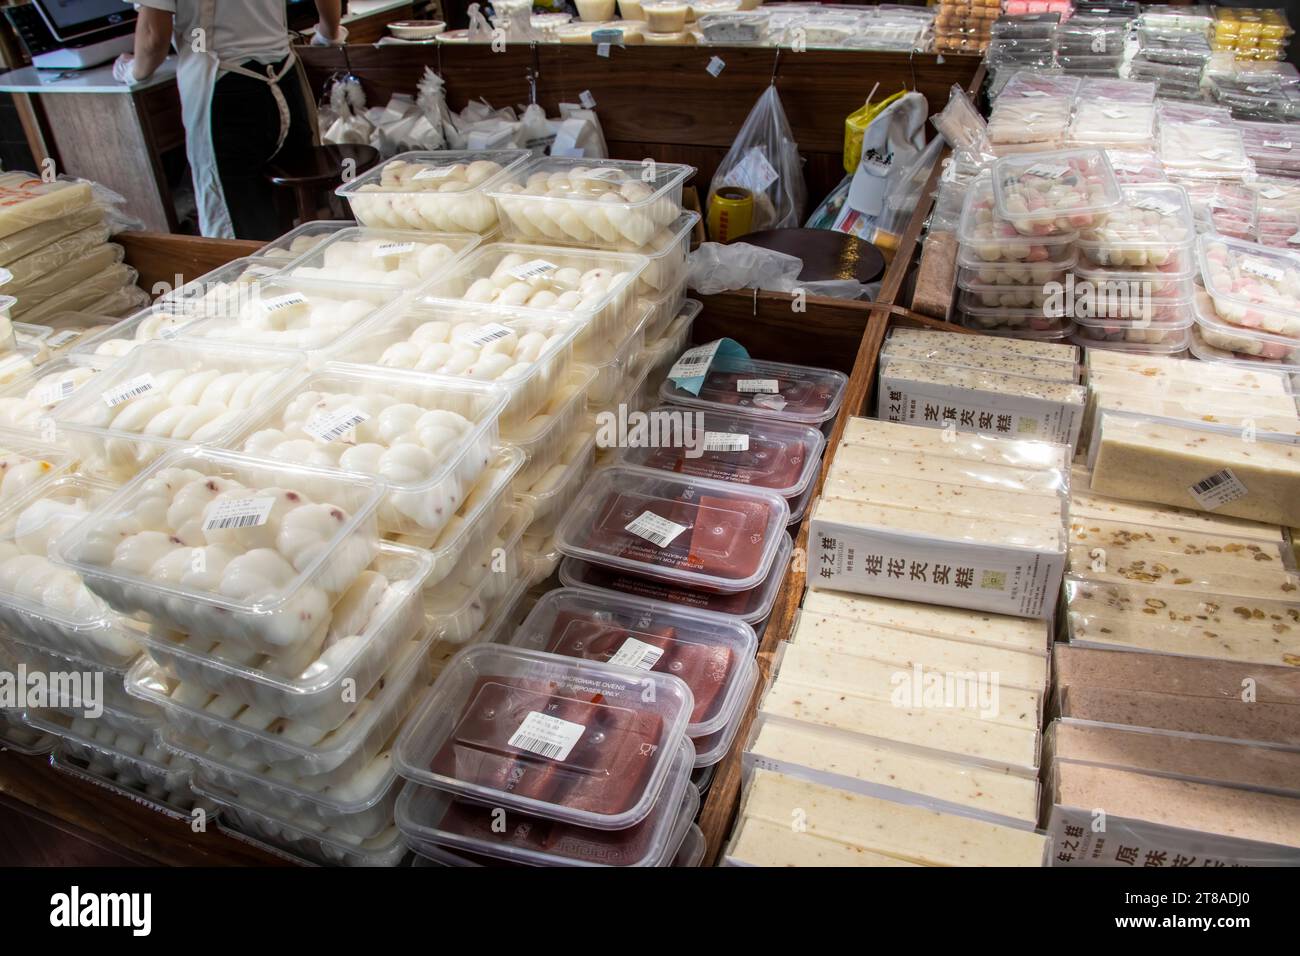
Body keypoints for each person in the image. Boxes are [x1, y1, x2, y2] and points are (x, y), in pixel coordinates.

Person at [113, 1, 346, 240]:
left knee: (243, 233)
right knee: (304, 219)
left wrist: (130, 71)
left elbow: (153, 40)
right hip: (286, 82)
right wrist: (328, 34)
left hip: (227, 93)